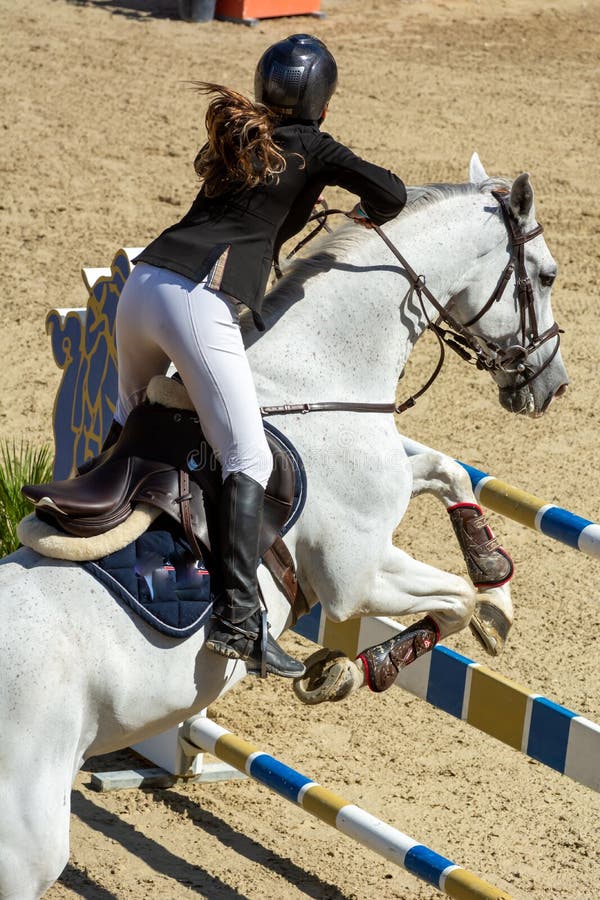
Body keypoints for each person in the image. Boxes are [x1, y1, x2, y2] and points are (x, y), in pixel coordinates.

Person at [112, 34, 407, 678]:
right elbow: (392, 194)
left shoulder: (241, 136)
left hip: (142, 284)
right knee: (248, 457)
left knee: (131, 424)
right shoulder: (314, 145)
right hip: (197, 300)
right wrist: (339, 201)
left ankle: (89, 536)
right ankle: (241, 620)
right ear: (322, 103)